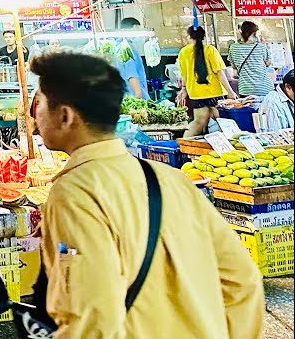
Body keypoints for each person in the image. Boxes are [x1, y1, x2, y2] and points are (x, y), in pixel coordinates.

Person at [29, 50, 262, 338]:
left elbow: (92, 318)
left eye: (38, 103)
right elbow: (243, 280)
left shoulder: (74, 193)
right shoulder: (171, 178)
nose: (33, 114)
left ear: (65, 115)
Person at [177, 26, 241, 136]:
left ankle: (184, 144)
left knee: (198, 122)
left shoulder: (183, 52)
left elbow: (184, 75)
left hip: (196, 94)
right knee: (223, 122)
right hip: (215, 93)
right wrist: (230, 92)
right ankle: (228, 147)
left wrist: (184, 90)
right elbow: (220, 73)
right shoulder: (210, 50)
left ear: (189, 37)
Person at [228, 21, 272, 98]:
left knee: (249, 110)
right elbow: (268, 63)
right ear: (254, 33)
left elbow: (234, 66)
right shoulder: (260, 47)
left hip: (246, 89)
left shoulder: (233, 47)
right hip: (264, 88)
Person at [114, 17, 150, 101]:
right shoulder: (128, 49)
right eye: (137, 30)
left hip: (124, 95)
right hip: (134, 95)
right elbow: (131, 74)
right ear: (131, 29)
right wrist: (138, 94)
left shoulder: (117, 47)